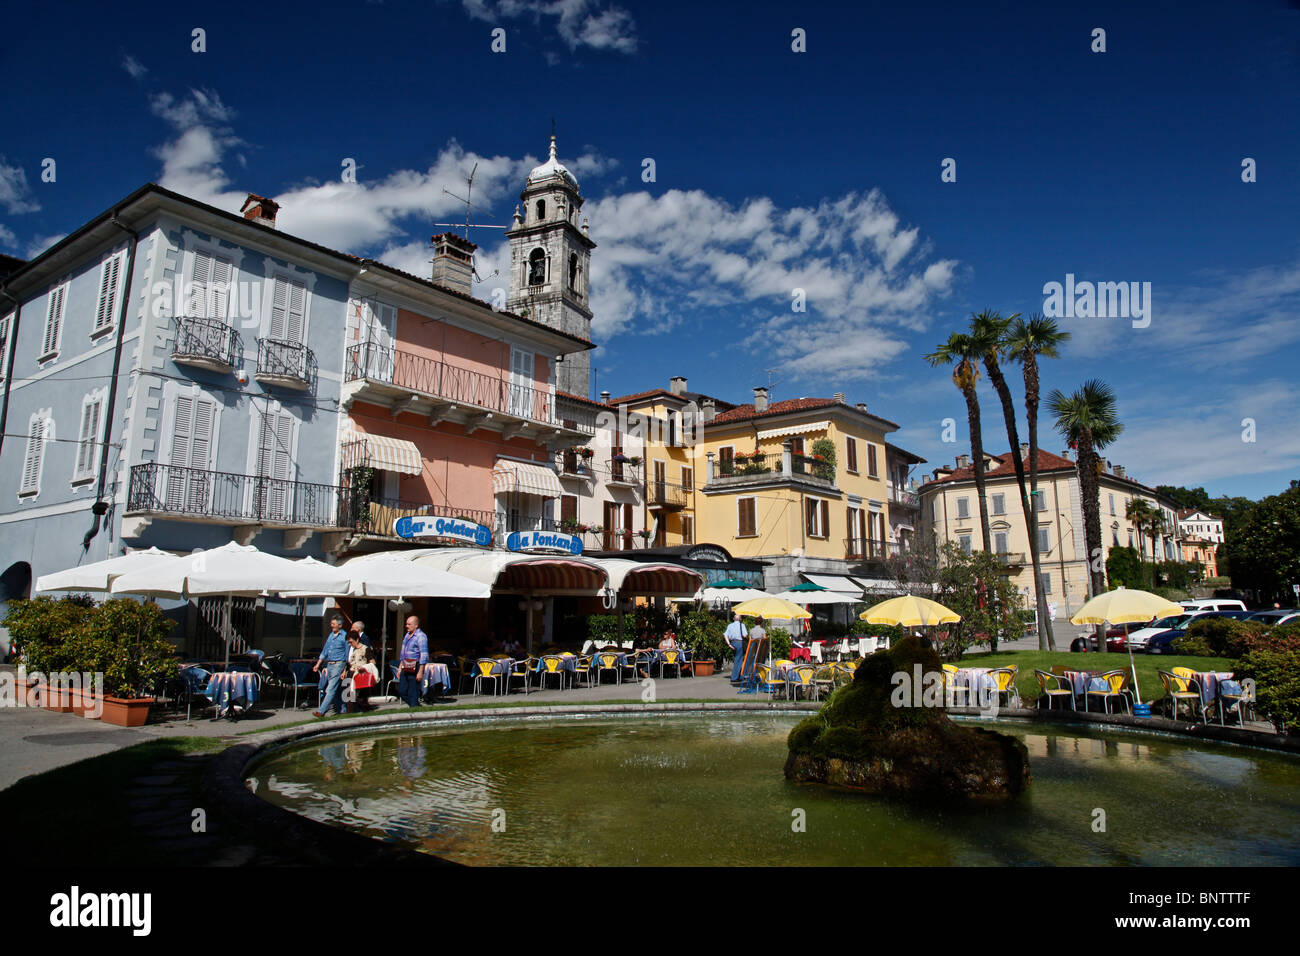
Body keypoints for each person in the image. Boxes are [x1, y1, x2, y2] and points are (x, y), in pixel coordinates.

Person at [313, 614, 350, 717]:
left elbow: (347, 655)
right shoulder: (331, 635)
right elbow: (325, 651)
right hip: (330, 665)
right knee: (336, 690)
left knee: (330, 689)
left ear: (340, 625)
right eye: (331, 623)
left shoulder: (344, 636)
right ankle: (342, 710)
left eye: (333, 624)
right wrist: (318, 664)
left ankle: (321, 711)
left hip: (339, 665)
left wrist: (345, 669)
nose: (331, 625)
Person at [397, 615, 429, 708]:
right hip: (405, 665)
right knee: (401, 691)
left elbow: (424, 655)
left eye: (409, 624)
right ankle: (415, 705)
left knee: (413, 690)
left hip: (416, 666)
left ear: (416, 625)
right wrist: (400, 668)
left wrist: (420, 672)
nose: (406, 626)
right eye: (406, 624)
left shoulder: (421, 636)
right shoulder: (407, 635)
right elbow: (403, 654)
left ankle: (414, 707)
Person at [346, 631, 379, 712]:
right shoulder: (354, 650)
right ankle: (350, 711)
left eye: (351, 642)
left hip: (361, 675)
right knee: (349, 694)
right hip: (352, 674)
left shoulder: (365, 649)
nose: (350, 644)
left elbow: (372, 662)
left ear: (357, 640)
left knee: (361, 697)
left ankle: (364, 710)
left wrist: (363, 667)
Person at [725, 612, 748, 684]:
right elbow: (745, 635)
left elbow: (725, 635)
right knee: (739, 660)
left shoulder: (730, 625)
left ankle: (739, 676)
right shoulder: (742, 625)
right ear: (740, 619)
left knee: (737, 659)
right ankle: (735, 677)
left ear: (733, 619)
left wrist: (729, 644)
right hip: (739, 642)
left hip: (733, 642)